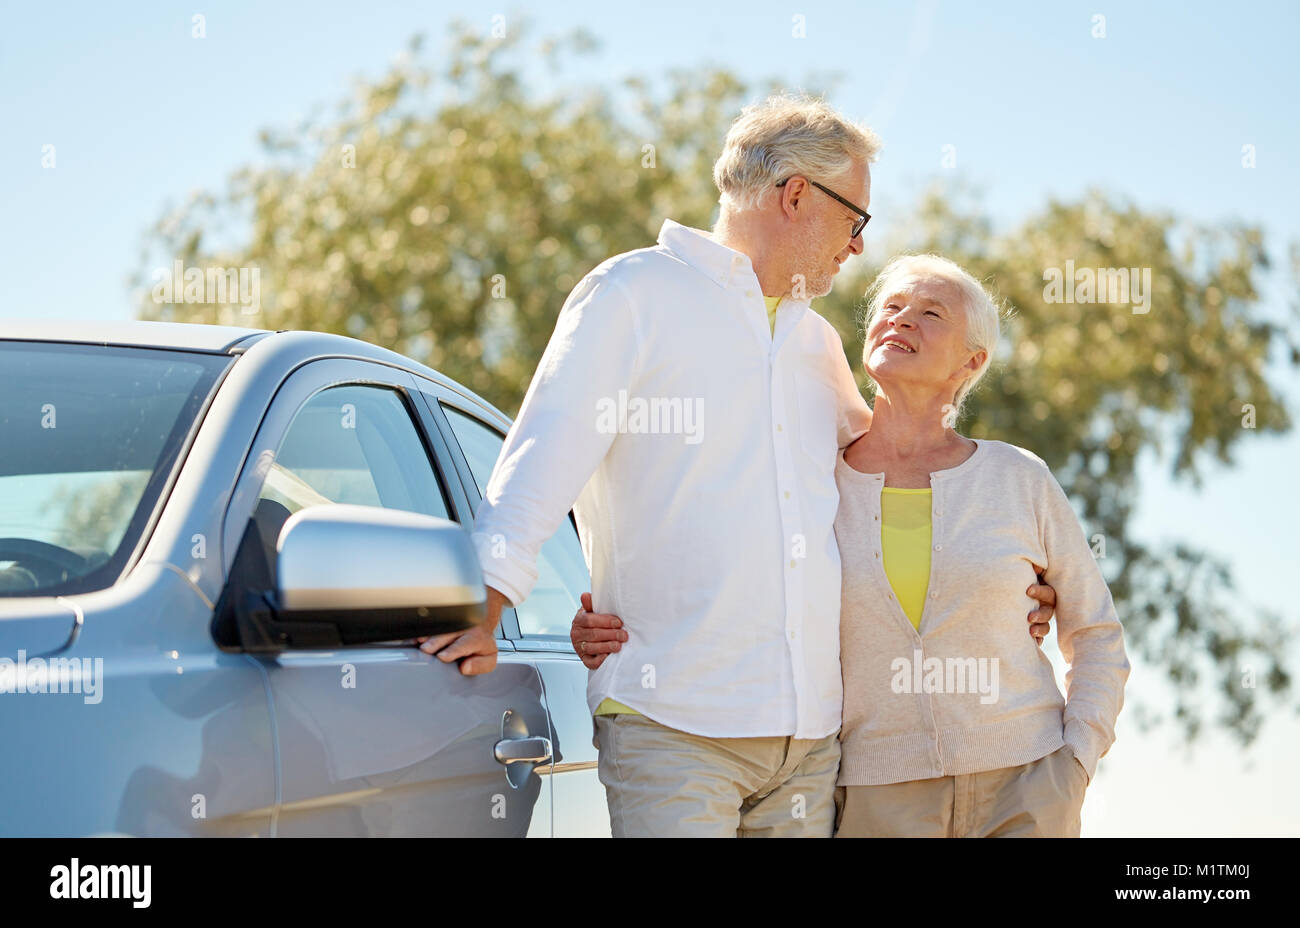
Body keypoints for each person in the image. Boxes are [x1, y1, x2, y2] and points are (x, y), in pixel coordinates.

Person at [422, 95, 1058, 837]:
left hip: (811, 744)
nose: (856, 247)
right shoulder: (633, 294)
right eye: (856, 220)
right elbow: (546, 451)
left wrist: (1003, 579)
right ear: (795, 195)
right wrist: (489, 603)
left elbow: (892, 485)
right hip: (674, 725)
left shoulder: (816, 344)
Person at [829, 253, 1129, 836]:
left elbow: (1095, 632)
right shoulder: (817, 482)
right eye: (891, 307)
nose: (902, 320)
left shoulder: (1018, 477)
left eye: (930, 312)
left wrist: (1075, 764)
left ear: (971, 362)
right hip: (876, 796)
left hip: (1026, 785)